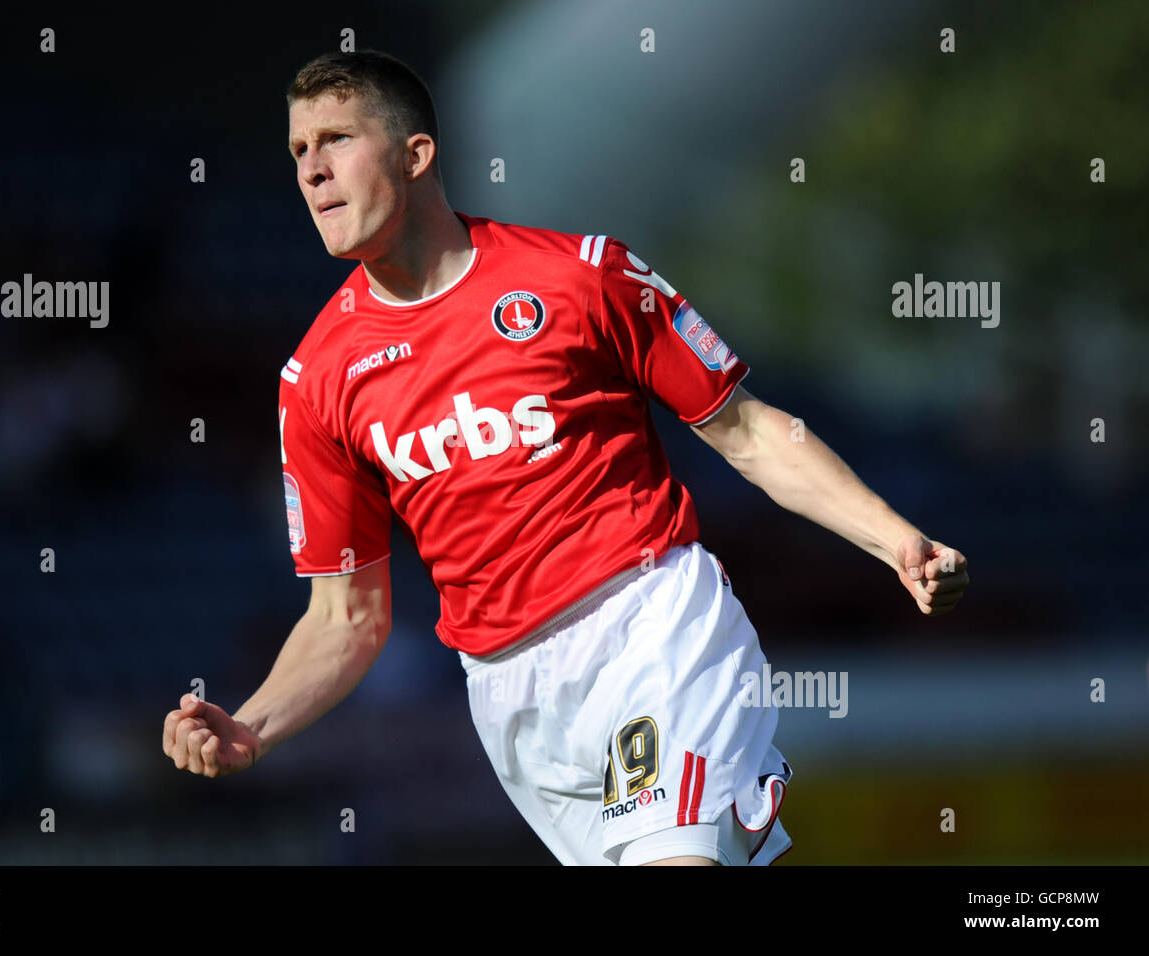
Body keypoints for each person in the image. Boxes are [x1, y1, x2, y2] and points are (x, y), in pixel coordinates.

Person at [161, 49, 969, 865]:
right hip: (511, 700)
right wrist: (250, 726)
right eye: (298, 152)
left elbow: (748, 432)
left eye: (336, 139)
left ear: (416, 155)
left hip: (651, 630)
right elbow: (347, 618)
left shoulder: (582, 277)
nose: (313, 171)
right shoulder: (317, 379)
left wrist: (892, 539)